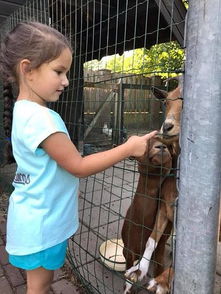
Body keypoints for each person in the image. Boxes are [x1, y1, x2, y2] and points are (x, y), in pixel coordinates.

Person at [0, 21, 157, 294]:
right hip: (41, 226)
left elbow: (51, 165)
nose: (66, 81)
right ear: (27, 69)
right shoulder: (42, 119)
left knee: (43, 283)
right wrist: (128, 147)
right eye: (58, 71)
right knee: (37, 289)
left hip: (34, 216)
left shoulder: (23, 111)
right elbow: (79, 166)